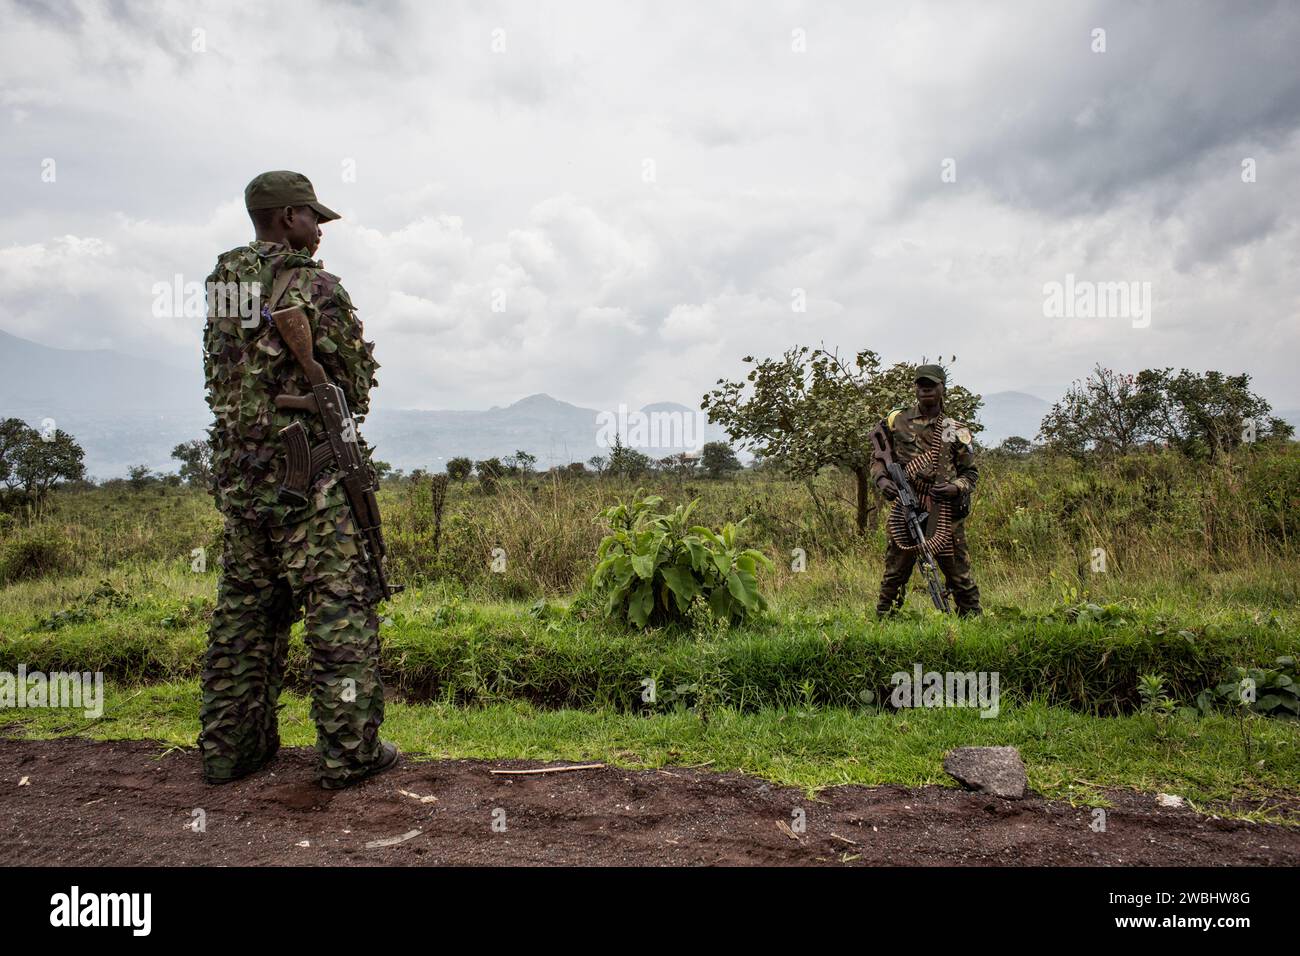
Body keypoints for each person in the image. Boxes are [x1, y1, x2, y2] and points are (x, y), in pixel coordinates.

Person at [198, 170, 398, 788]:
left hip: (240, 477)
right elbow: (356, 386)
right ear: (287, 217)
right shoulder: (315, 287)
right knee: (338, 607)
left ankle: (231, 751)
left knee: (245, 613)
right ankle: (350, 753)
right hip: (306, 475)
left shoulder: (222, 288)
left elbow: (231, 381)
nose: (319, 229)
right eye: (313, 217)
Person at [870, 364, 982, 617]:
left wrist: (955, 488)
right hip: (907, 510)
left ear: (943, 388)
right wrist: (882, 481)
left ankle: (973, 623)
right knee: (895, 574)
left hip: (944, 514)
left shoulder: (955, 428)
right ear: (915, 389)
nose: (926, 389)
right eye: (921, 385)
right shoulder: (896, 421)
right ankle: (884, 622)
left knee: (959, 576)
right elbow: (878, 457)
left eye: (931, 385)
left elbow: (970, 474)